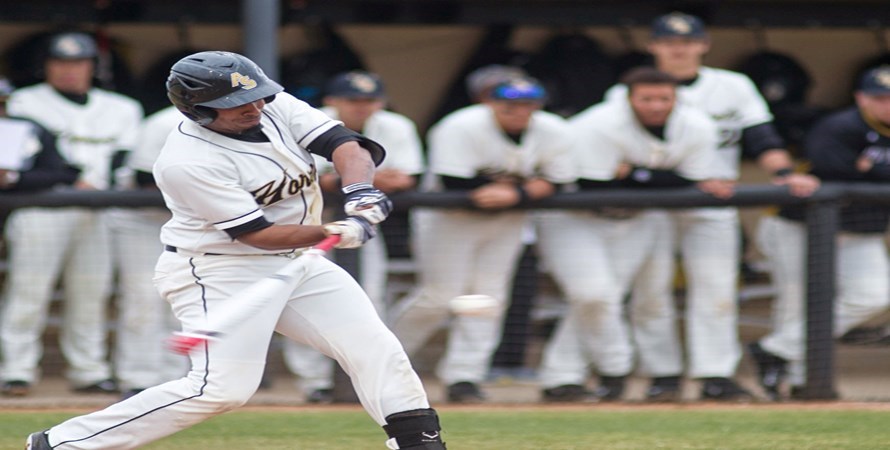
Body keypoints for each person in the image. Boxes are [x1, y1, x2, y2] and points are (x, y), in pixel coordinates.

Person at [25, 50, 445, 450]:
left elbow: (344, 143)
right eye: (235, 103)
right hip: (219, 270)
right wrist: (332, 229)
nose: (253, 107)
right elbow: (256, 233)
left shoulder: (273, 105)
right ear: (198, 110)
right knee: (221, 390)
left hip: (297, 263)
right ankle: (63, 443)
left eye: (256, 96)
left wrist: (359, 191)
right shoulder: (186, 161)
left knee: (375, 348)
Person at [604, 12, 820, 401]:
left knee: (717, 288)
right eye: (669, 42)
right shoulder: (627, 91)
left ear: (704, 44)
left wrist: (785, 173)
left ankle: (715, 374)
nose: (679, 49)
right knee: (650, 289)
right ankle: (662, 374)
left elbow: (762, 138)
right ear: (653, 46)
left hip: (713, 200)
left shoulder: (732, 86)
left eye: (687, 42)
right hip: (652, 202)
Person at [536, 67, 724, 402]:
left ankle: (562, 378)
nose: (656, 105)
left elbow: (695, 181)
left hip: (636, 219)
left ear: (676, 98)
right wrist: (657, 176)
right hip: (574, 219)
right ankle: (614, 368)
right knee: (593, 294)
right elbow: (594, 184)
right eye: (646, 98)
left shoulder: (697, 126)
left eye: (664, 98)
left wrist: (633, 172)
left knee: (603, 299)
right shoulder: (599, 123)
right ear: (629, 98)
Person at [388, 76, 576, 403]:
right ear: (491, 103)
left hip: (509, 218)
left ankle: (464, 377)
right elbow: (455, 182)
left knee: (488, 298)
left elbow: (558, 180)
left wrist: (517, 193)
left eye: (527, 105)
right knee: (438, 297)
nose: (519, 112)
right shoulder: (461, 125)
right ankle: (384, 361)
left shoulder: (553, 130)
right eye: (510, 105)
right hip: (450, 219)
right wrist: (523, 189)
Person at [1, 31, 143, 397]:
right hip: (41, 208)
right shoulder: (23, 101)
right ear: (46, 66)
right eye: (60, 62)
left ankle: (88, 370)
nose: (69, 70)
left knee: (91, 293)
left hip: (99, 209)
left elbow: (125, 161)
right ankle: (16, 370)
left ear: (92, 66)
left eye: (79, 62)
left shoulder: (122, 108)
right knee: (29, 291)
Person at [281, 70, 425, 403]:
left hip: (359, 223)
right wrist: (358, 180)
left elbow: (407, 178)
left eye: (369, 100)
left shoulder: (395, 126)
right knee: (301, 298)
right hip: (306, 220)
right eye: (352, 100)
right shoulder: (307, 121)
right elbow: (303, 180)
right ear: (332, 101)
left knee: (369, 297)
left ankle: (363, 377)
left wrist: (340, 180)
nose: (361, 106)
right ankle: (314, 381)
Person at [750, 65, 890, 400]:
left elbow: (864, 175)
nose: (887, 105)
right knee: (797, 302)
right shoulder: (838, 126)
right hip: (798, 225)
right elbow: (834, 169)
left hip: (861, 229)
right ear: (861, 98)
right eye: (880, 98)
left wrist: (872, 169)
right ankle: (803, 383)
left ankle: (775, 349)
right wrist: (873, 172)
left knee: (873, 295)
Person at [106, 105, 190, 399]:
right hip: (140, 221)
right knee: (143, 298)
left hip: (190, 222)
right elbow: (145, 180)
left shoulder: (239, 122)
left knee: (182, 300)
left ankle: (175, 378)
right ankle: (138, 378)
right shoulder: (164, 122)